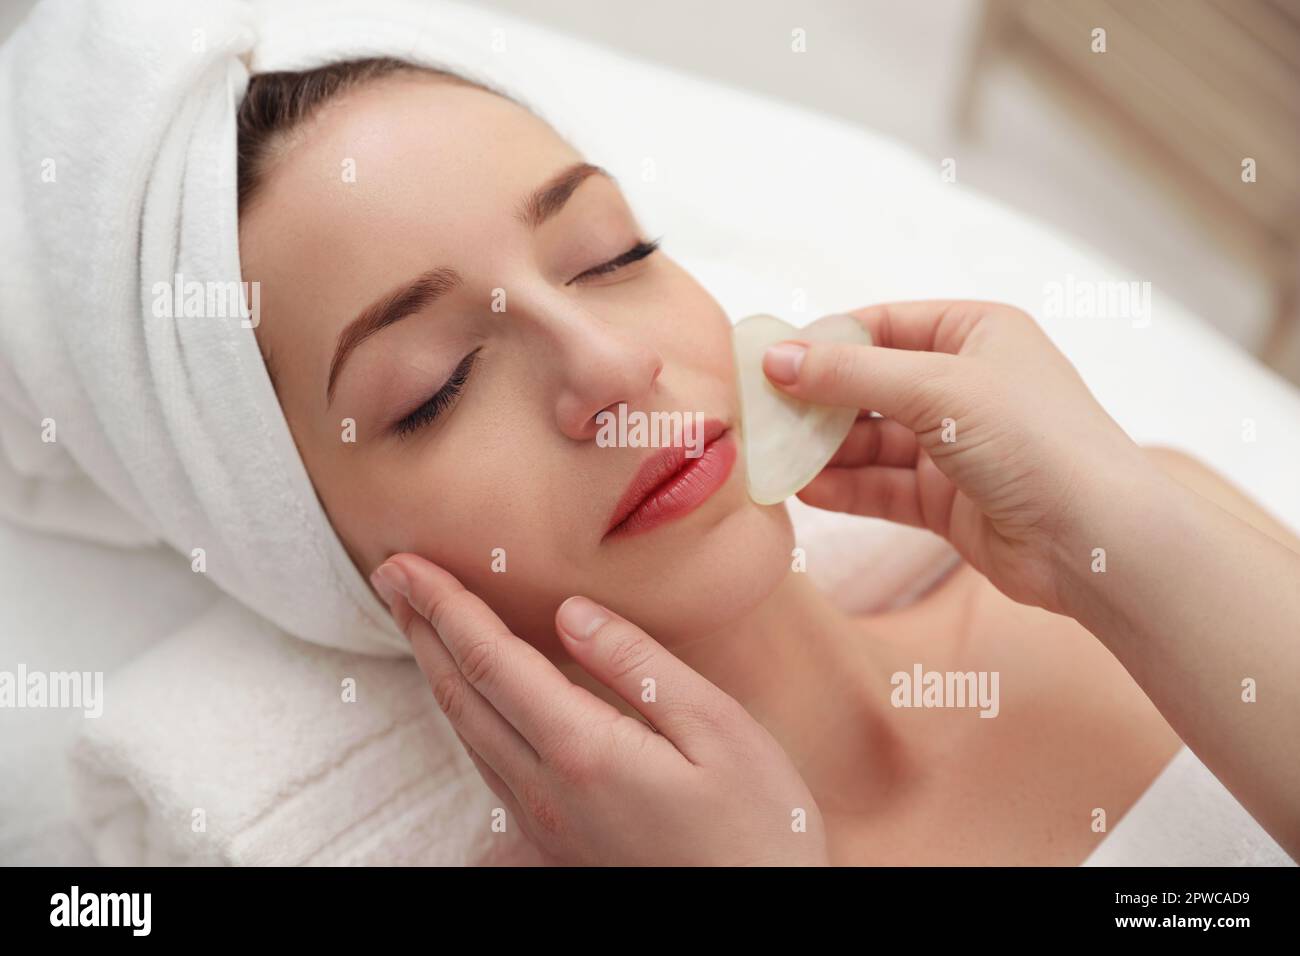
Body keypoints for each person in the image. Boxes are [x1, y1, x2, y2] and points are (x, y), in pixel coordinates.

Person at [238, 58, 1300, 866]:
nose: (610, 366)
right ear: (330, 557)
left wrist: (1128, 548)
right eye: (438, 384)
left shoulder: (1144, 551)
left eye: (614, 254)